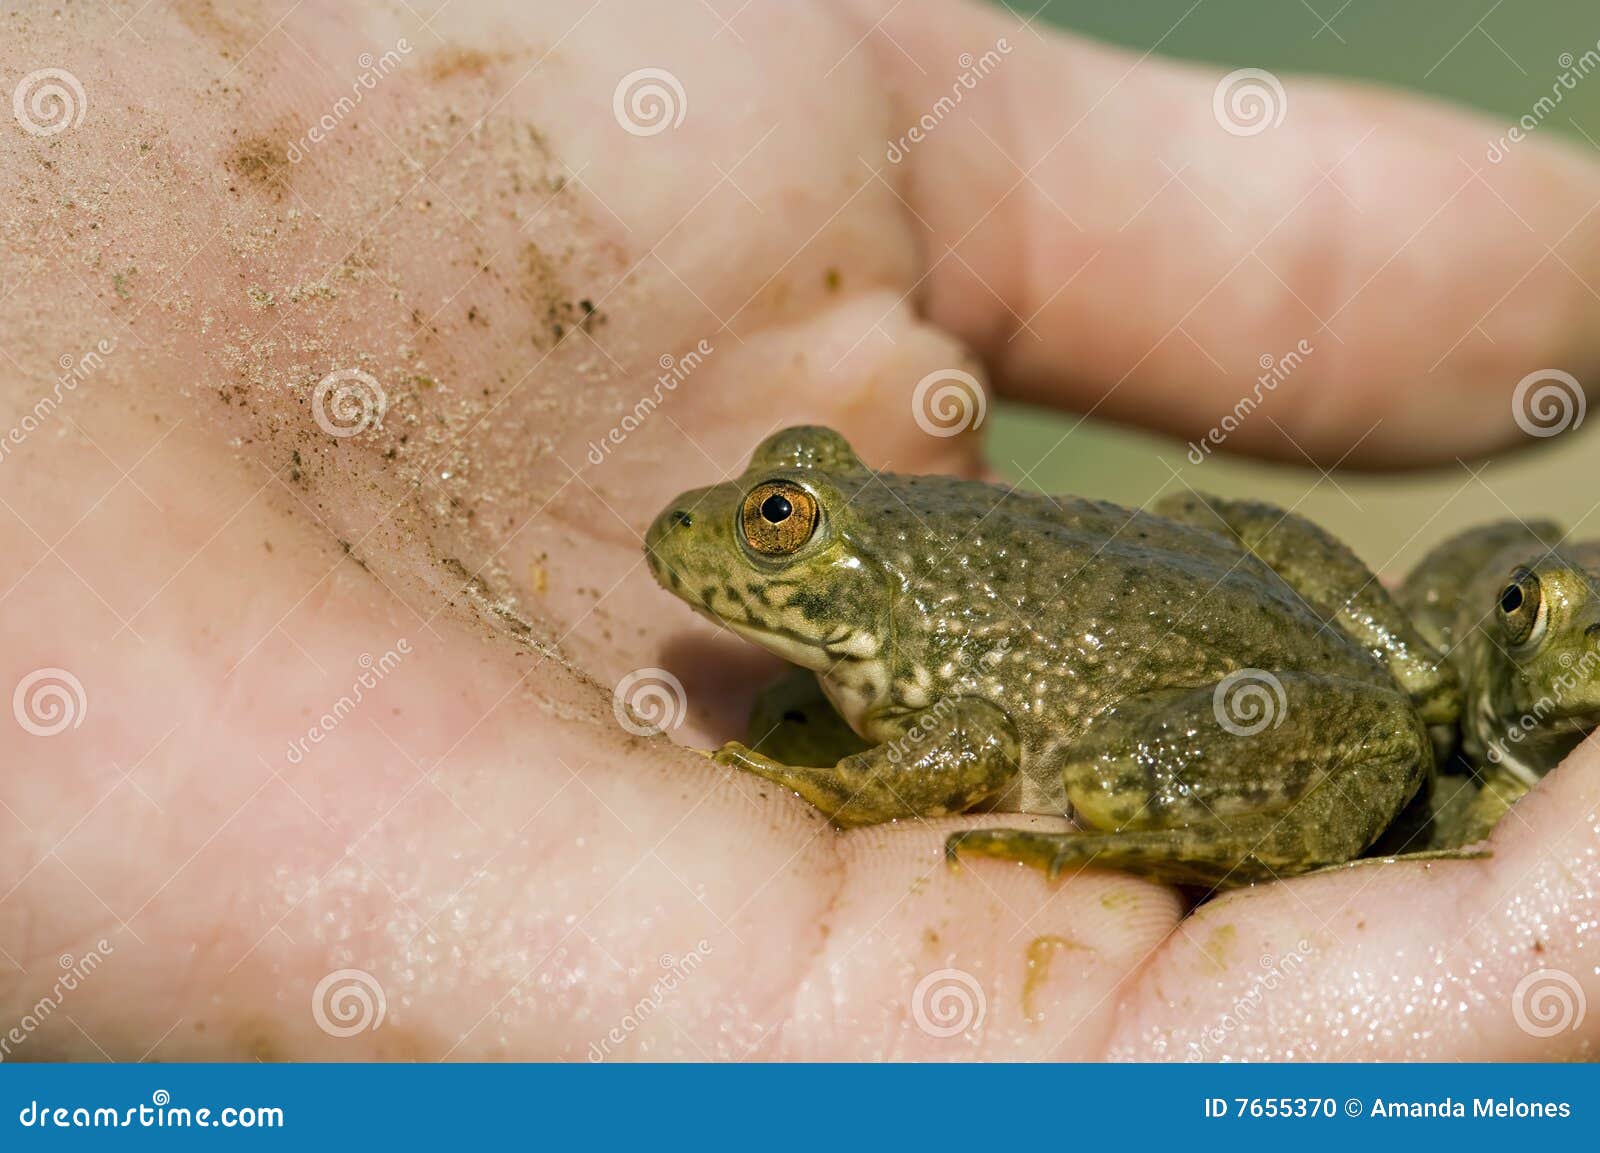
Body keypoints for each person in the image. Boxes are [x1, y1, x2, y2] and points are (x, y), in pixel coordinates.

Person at [1, 0, 1594, 1061]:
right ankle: (1407, 700)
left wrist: (845, 781)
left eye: (775, 522)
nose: (728, 533)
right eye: (780, 502)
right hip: (1269, 639)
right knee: (1189, 533)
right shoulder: (877, 602)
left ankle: (1361, 735)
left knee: (1109, 776)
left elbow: (970, 737)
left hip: (1238, 701)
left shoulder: (909, 665)